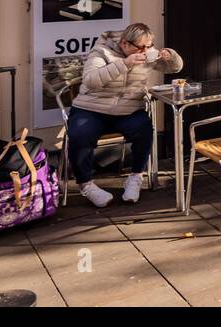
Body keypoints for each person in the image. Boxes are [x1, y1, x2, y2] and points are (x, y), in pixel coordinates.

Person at [71, 23, 183, 208]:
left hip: (127, 110)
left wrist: (171, 56)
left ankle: (135, 176)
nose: (146, 51)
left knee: (144, 128)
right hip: (92, 109)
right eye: (141, 47)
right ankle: (86, 184)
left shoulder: (147, 52)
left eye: (149, 46)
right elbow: (90, 80)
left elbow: (174, 69)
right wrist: (123, 64)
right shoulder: (101, 52)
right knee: (79, 134)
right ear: (124, 43)